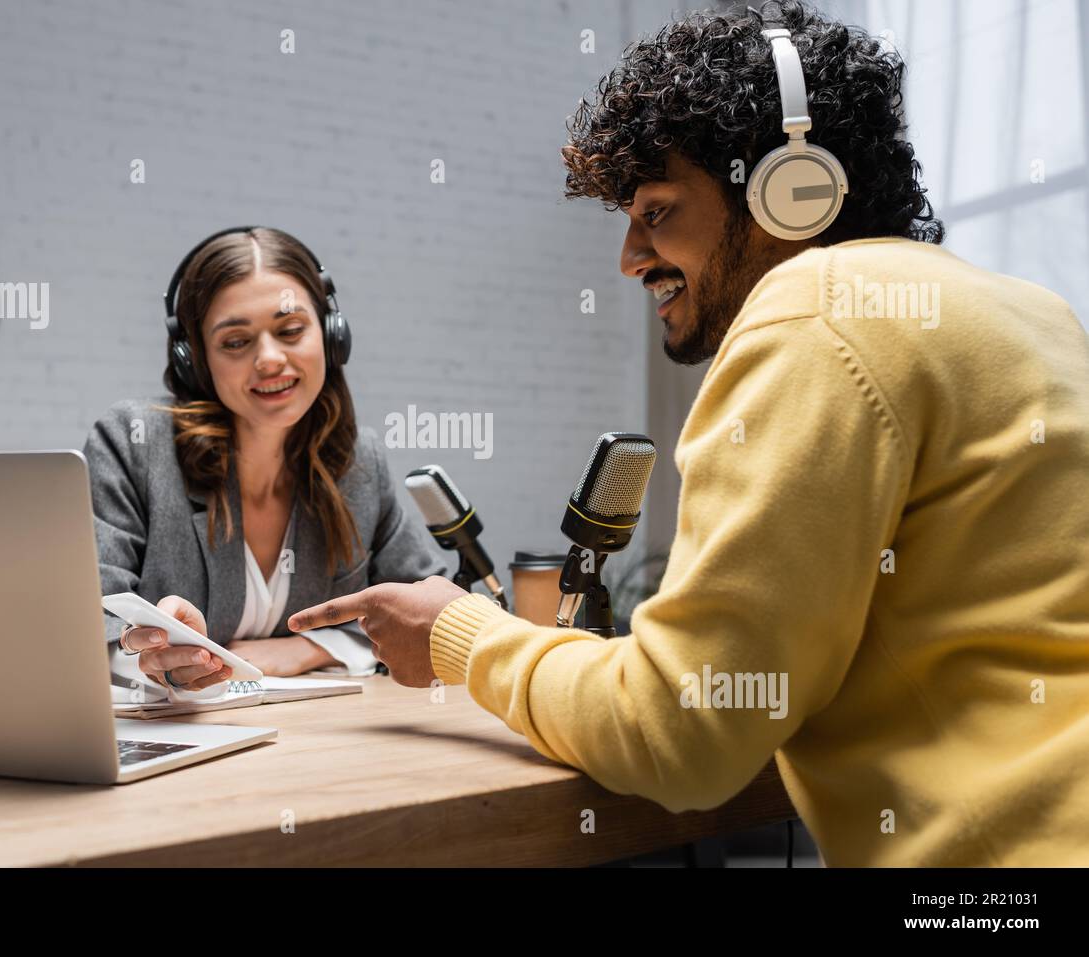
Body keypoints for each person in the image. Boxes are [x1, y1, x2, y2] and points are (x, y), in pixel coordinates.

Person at [287, 1, 1089, 866]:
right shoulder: (1034, 315)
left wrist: (456, 632)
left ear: (795, 186)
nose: (630, 257)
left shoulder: (814, 311)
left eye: (658, 211)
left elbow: (681, 735)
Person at [83, 226, 446, 698]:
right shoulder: (133, 445)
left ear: (331, 336)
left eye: (291, 330)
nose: (270, 359)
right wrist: (148, 657)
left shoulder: (359, 461)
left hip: (320, 744)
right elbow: (88, 621)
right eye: (236, 342)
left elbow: (434, 613)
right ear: (195, 359)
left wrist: (315, 648)